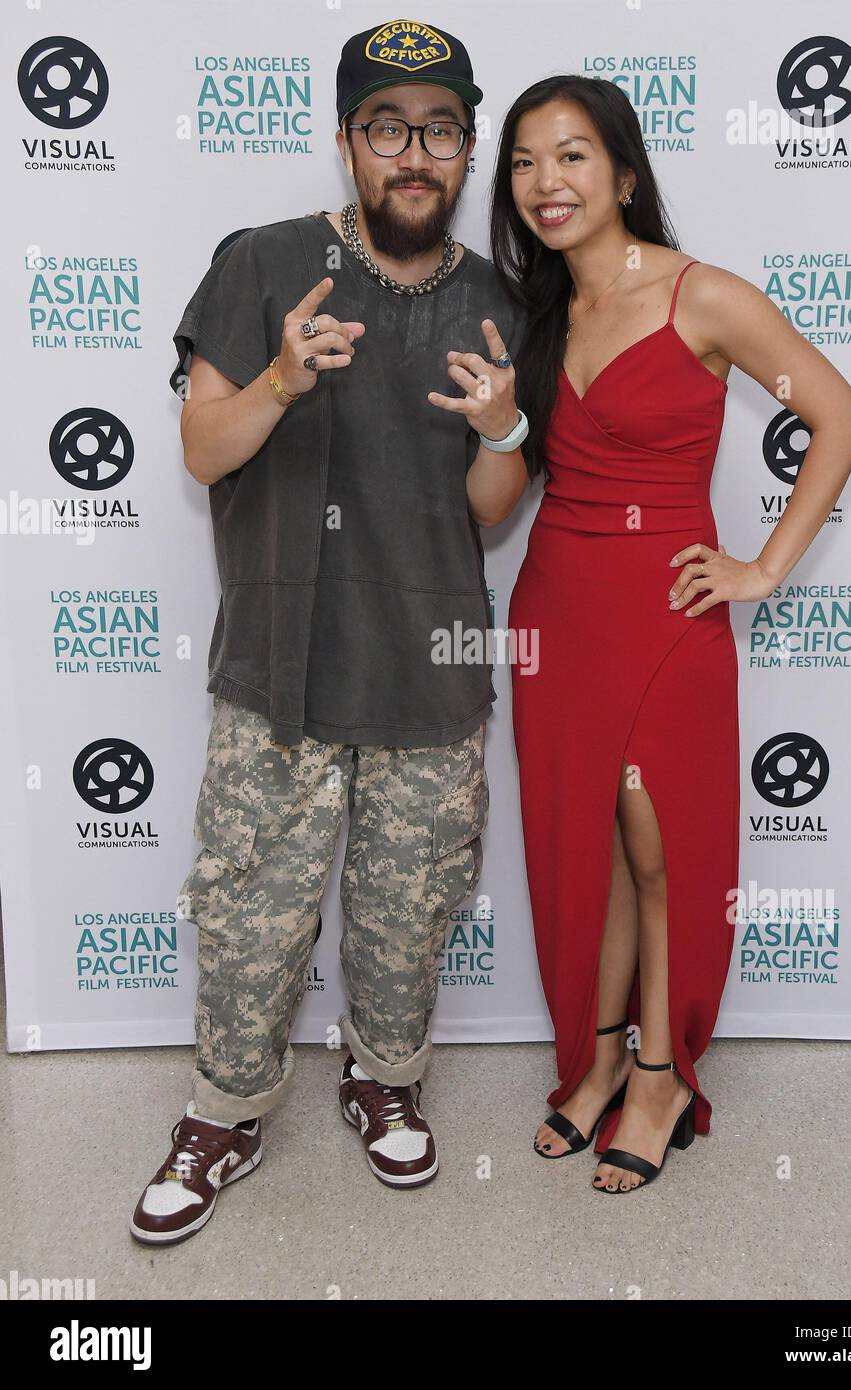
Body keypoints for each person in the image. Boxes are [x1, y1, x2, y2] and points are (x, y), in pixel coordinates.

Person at [130, 18, 529, 1245]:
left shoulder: (499, 300)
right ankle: (228, 1107)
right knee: (253, 909)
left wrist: (506, 432)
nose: (416, 154)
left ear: (465, 148)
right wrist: (281, 384)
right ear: (349, 140)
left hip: (431, 665)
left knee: (410, 908)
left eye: (442, 130)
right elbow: (204, 450)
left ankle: (384, 1075)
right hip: (280, 666)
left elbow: (491, 512)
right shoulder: (261, 263)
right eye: (388, 128)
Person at [492, 75, 851, 1193]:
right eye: (521, 162)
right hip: (556, 609)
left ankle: (662, 1074)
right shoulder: (542, 312)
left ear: (622, 171)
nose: (543, 183)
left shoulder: (705, 297)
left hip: (666, 611)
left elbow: (838, 415)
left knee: (661, 850)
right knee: (593, 850)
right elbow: (515, 479)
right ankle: (600, 1057)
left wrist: (760, 566)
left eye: (568, 156)